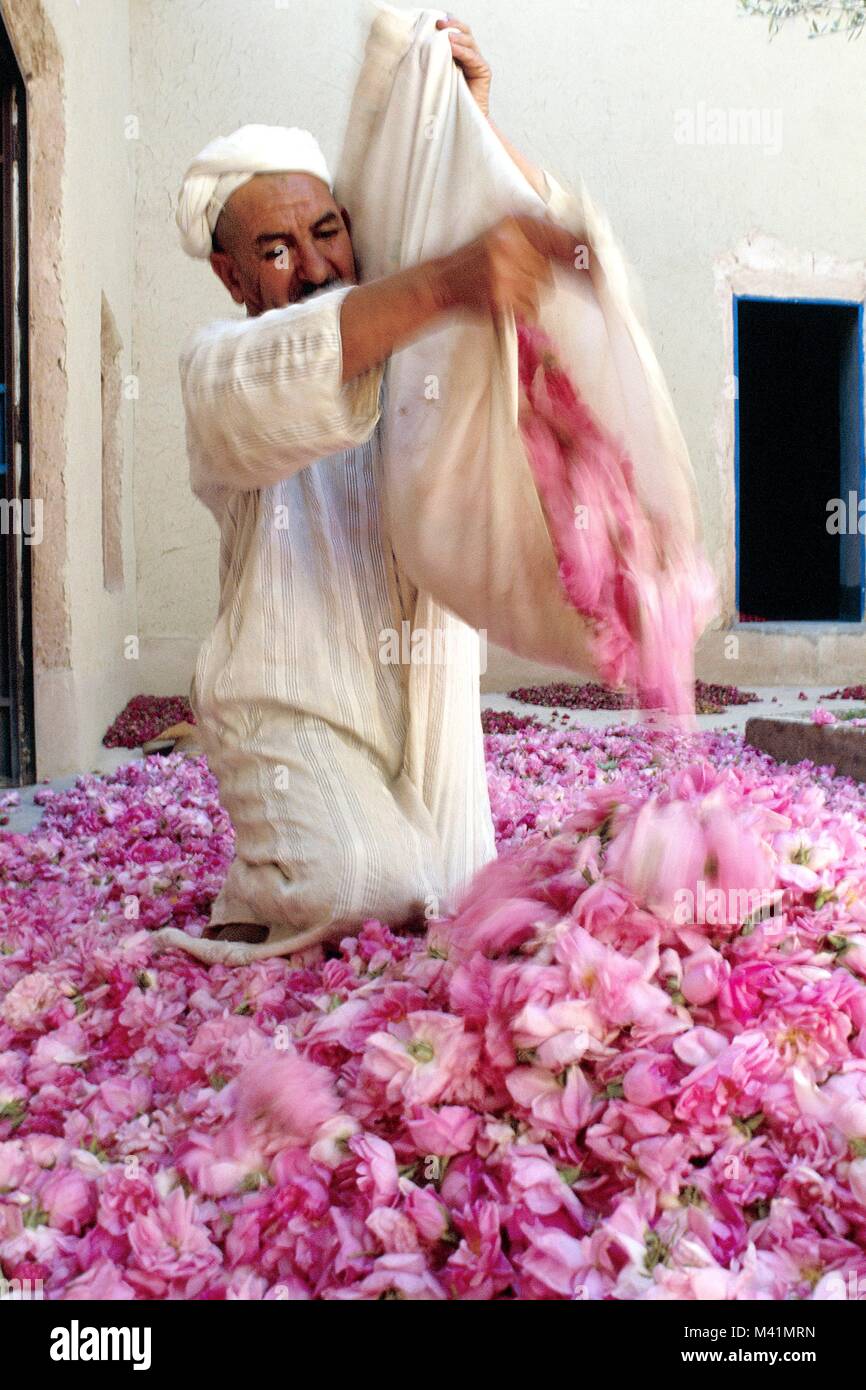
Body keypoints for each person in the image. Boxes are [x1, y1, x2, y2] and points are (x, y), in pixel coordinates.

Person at [158, 16, 578, 964]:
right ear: (230, 275)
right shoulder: (218, 368)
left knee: (456, 899)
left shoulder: (404, 329)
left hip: (428, 710)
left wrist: (468, 123)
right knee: (365, 884)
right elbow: (301, 361)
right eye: (273, 250)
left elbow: (528, 246)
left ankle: (333, 855)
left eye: (327, 230)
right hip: (290, 708)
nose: (310, 267)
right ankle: (263, 875)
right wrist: (444, 284)